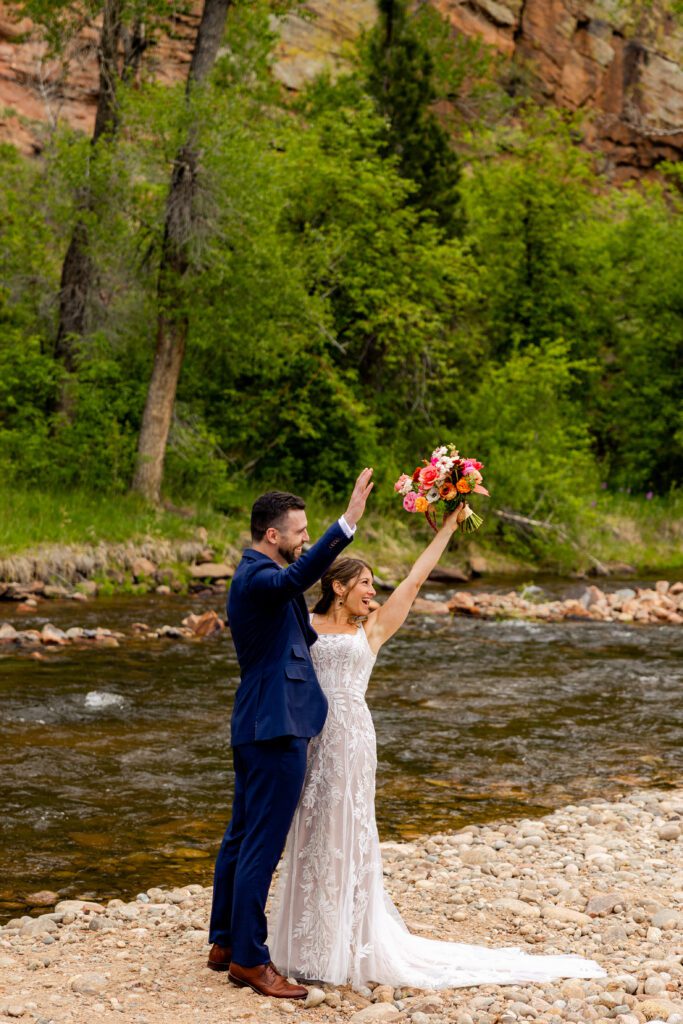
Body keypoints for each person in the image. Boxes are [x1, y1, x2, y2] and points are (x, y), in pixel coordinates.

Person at [270, 505, 604, 989]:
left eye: (374, 585)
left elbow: (415, 579)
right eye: (364, 583)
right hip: (312, 737)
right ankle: (305, 944)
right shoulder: (303, 620)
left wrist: (447, 526)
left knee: (349, 831)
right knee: (312, 831)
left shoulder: (374, 628)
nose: (373, 591)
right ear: (338, 585)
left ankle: (346, 944)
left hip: (354, 737)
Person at [206, 469, 374, 1000]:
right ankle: (252, 963)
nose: (304, 540)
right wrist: (345, 524)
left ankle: (225, 943)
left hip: (258, 722)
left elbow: (299, 623)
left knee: (240, 835)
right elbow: (292, 580)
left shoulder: (259, 577)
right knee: (261, 841)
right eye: (299, 532)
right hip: (276, 728)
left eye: (309, 532)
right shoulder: (258, 577)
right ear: (273, 535)